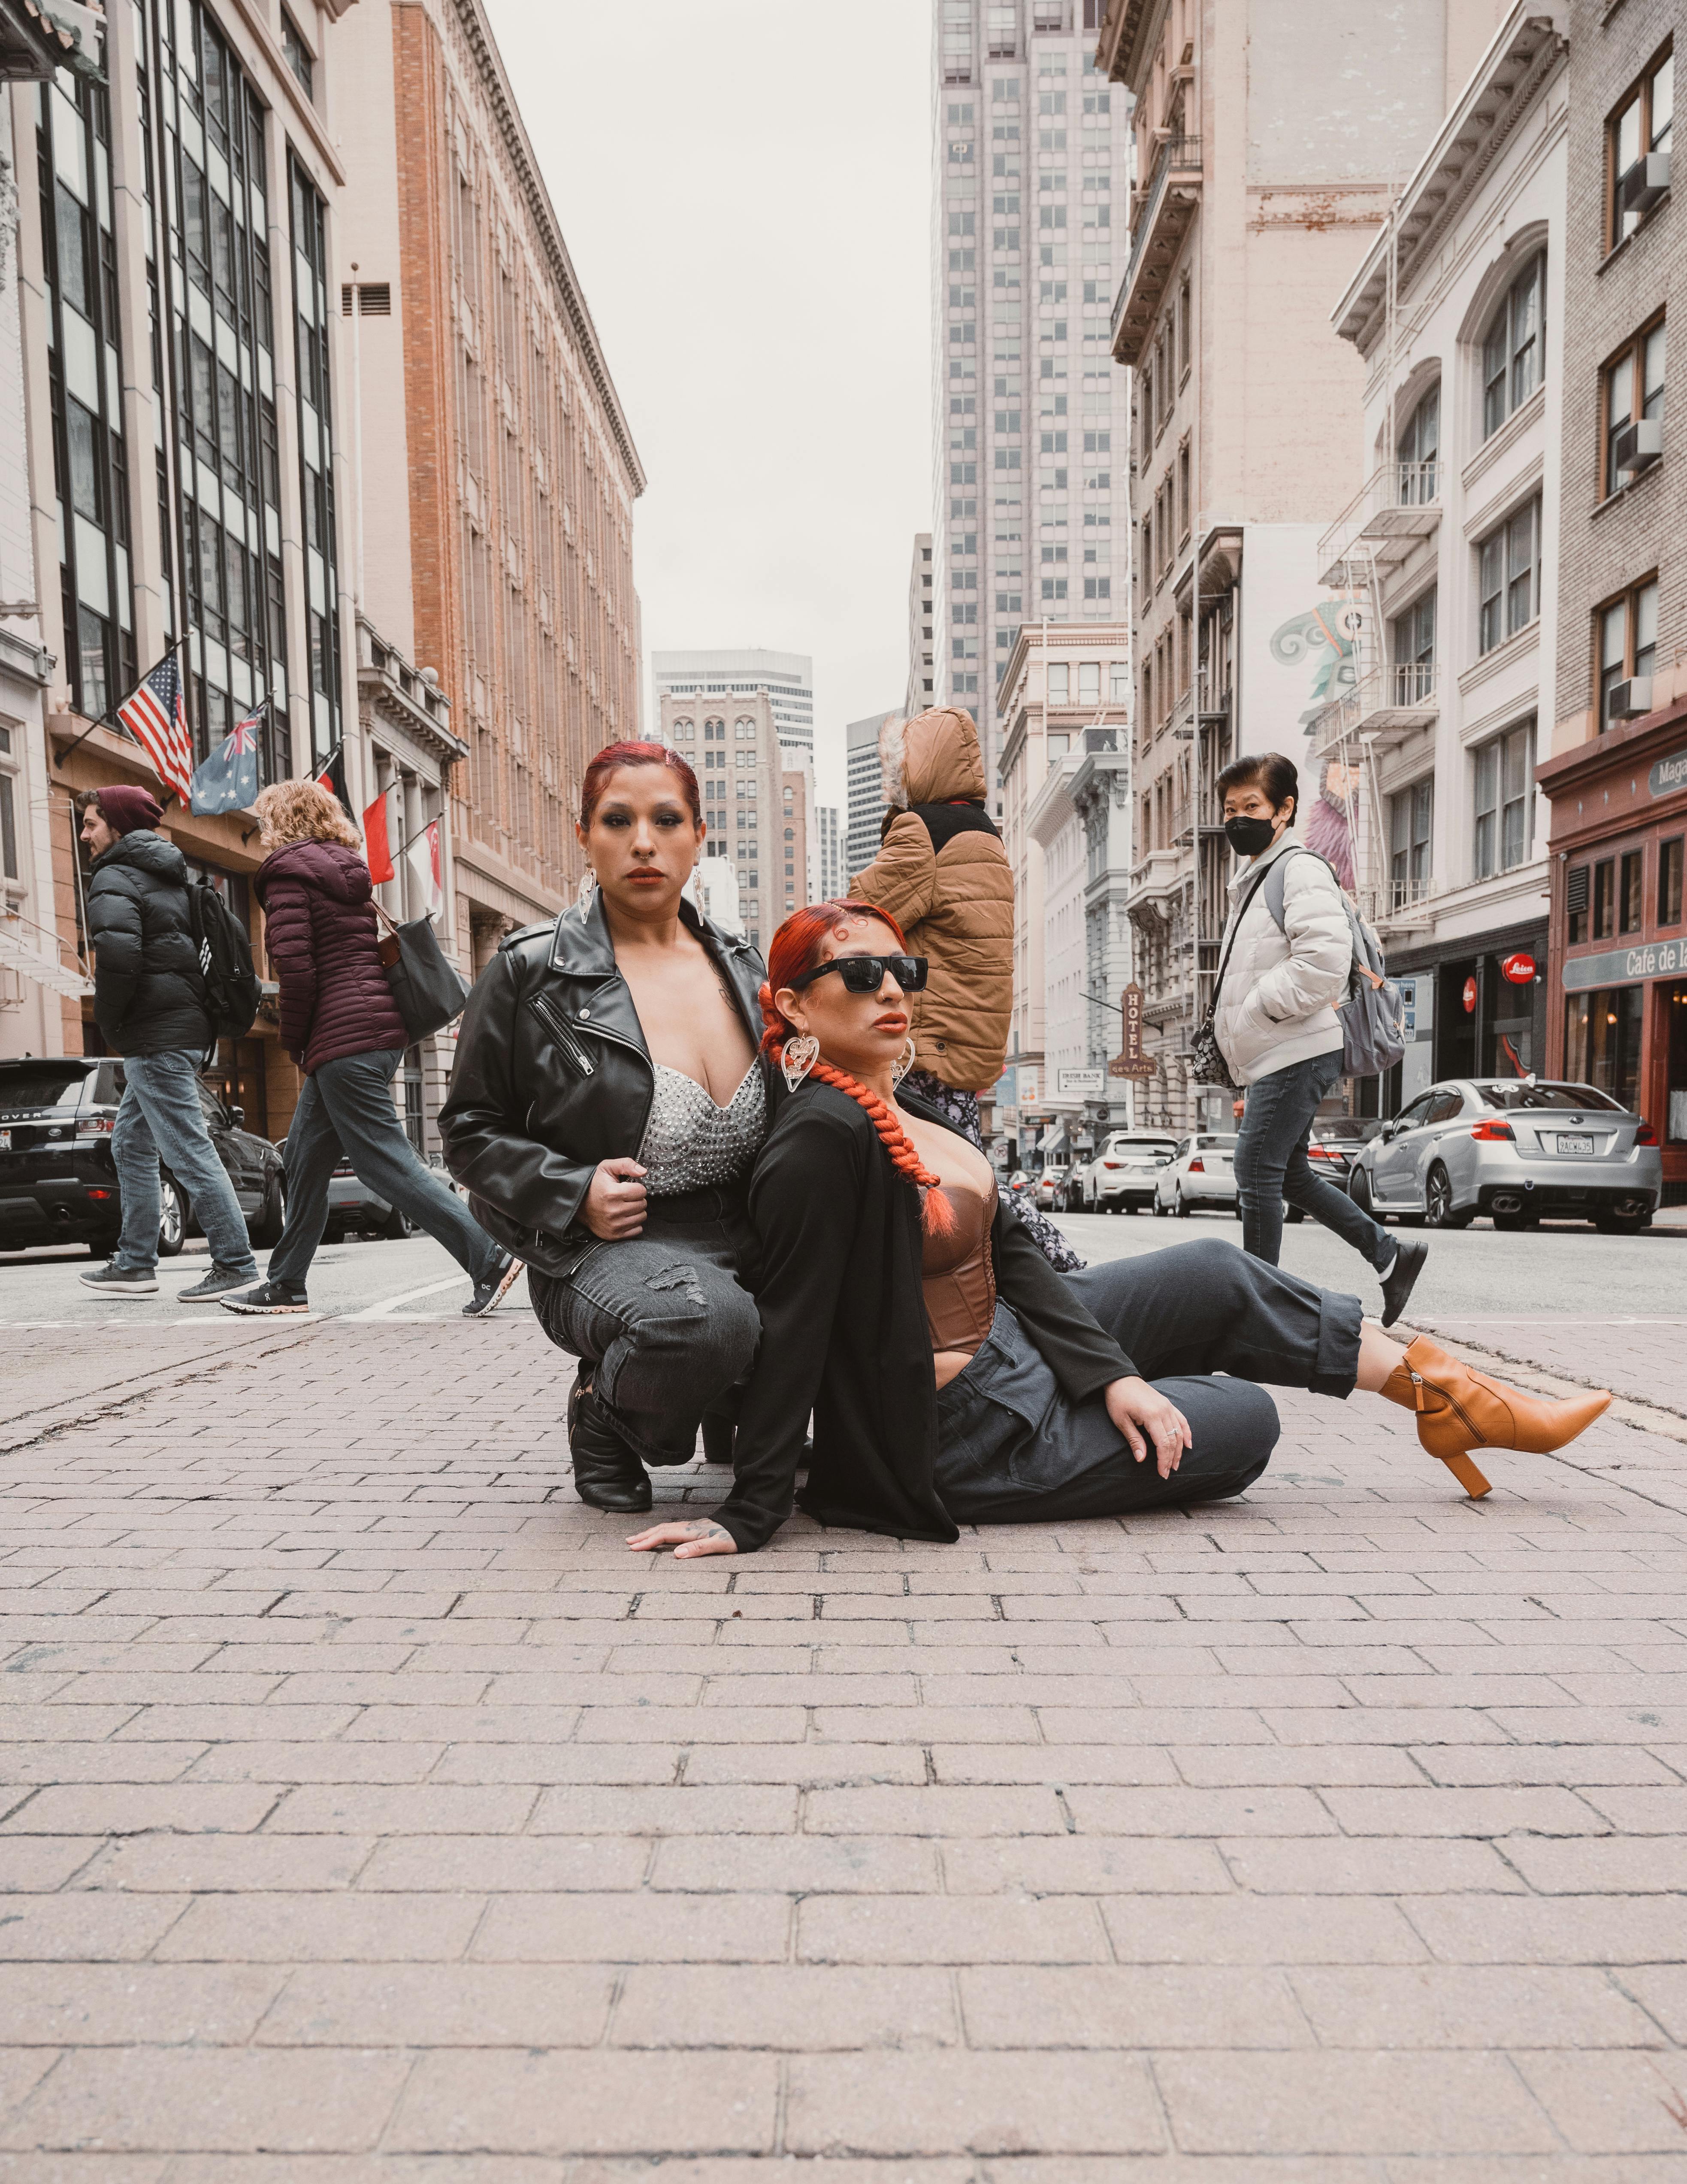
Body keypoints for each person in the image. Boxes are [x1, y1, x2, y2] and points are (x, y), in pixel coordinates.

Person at [623, 899, 1611, 1560]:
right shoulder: (818, 1143)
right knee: (1241, 1420)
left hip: (1012, 1342)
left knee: (1214, 1272)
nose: (889, 989)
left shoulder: (905, 1106)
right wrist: (750, 1512)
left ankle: (1451, 1399)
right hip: (962, 1430)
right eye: (857, 974)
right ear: (793, 1006)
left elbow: (1013, 1256)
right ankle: (1447, 1406)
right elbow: (791, 1323)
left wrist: (1112, 1377)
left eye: (901, 969)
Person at [440, 741, 772, 1514]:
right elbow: (467, 1129)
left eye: (667, 820)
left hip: (748, 1230)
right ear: (584, 835)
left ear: (698, 835)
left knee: (851, 1288)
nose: (643, 843)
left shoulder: (747, 967)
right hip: (602, 1248)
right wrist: (574, 1189)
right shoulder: (530, 970)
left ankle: (739, 1404)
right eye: (618, 821)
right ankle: (606, 1416)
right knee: (702, 1322)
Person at [221, 779, 519, 1319]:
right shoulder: (344, 869)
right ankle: (286, 1284)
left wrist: (294, 1040)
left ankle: (489, 1257)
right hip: (371, 1031)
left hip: (343, 1039)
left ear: (282, 821)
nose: (263, 830)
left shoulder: (288, 874)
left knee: (383, 1163)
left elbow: (296, 971)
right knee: (303, 1162)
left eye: (267, 820)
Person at [850, 704, 1078, 1272]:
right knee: (964, 1174)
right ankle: (1028, 1279)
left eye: (900, 766)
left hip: (928, 1045)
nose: (895, 779)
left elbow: (857, 917)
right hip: (967, 1043)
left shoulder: (925, 832)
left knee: (959, 1184)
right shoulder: (983, 834)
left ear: (920, 765)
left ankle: (1057, 1269)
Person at [1212, 751, 1425, 1326]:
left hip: (1295, 1045)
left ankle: (1260, 1313)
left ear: (1284, 810)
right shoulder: (1260, 875)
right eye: (1229, 809)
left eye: (1251, 806)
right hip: (1283, 1047)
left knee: (1255, 1170)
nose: (1237, 819)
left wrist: (1257, 1009)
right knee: (1289, 1174)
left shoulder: (1298, 869)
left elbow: (1324, 962)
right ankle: (1391, 1254)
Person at [77, 784, 261, 1303]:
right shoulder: (169, 874)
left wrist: (109, 1021)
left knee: (187, 1147)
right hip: (181, 1030)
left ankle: (236, 1262)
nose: (85, 834)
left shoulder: (116, 874)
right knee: (130, 1143)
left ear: (117, 826)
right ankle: (136, 1262)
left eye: (92, 823)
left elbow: (118, 958)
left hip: (155, 1035)